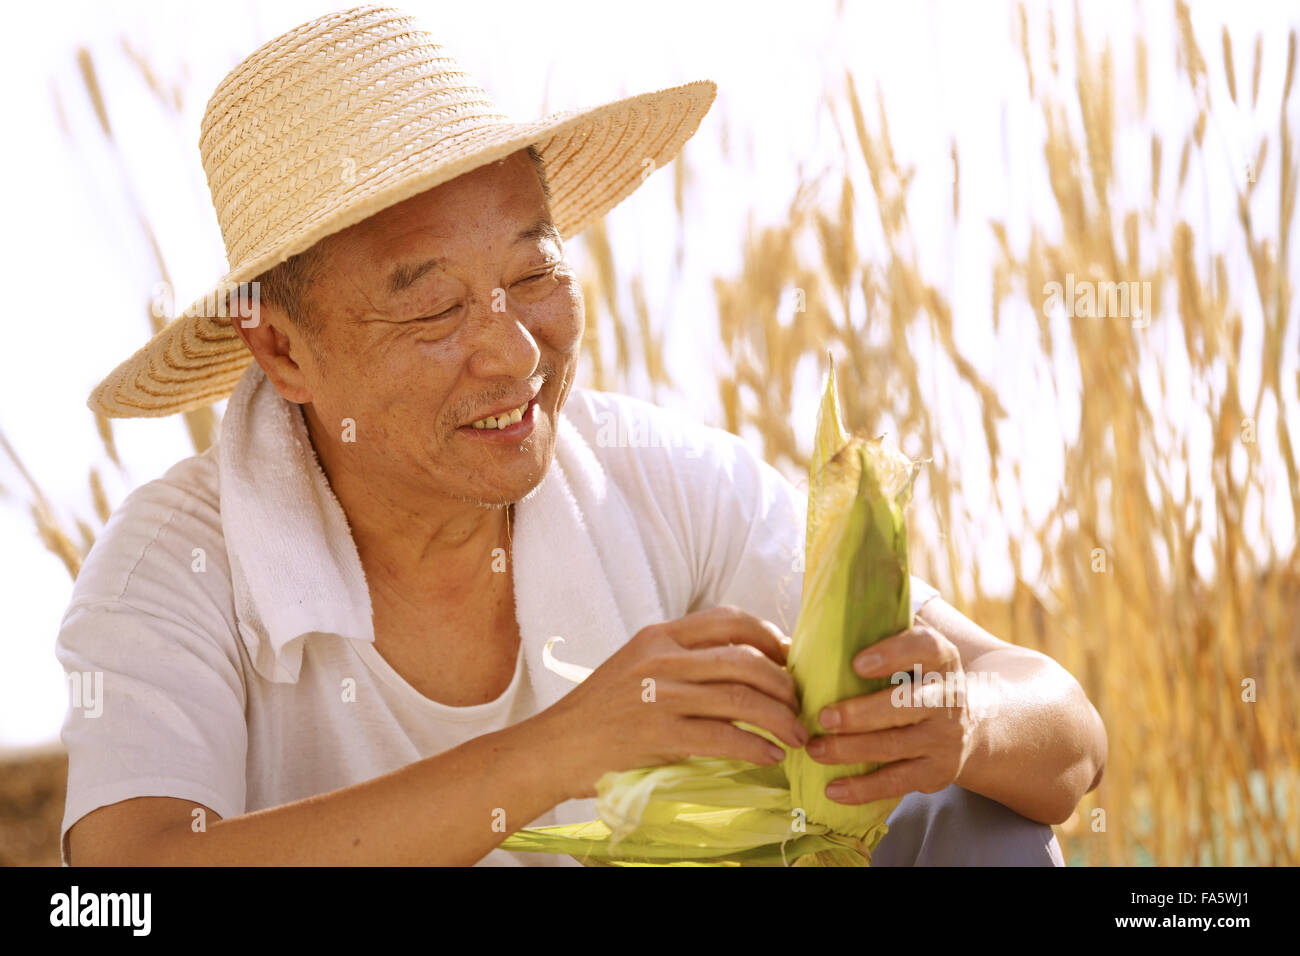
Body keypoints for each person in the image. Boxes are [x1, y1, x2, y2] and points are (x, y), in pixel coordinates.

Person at [58, 5, 1105, 866]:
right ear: (282, 350)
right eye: (432, 311)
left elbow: (1064, 731)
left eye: (534, 273)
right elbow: (122, 888)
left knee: (974, 827)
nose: (513, 353)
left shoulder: (665, 480)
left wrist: (958, 720)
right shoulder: (175, 565)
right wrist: (554, 753)